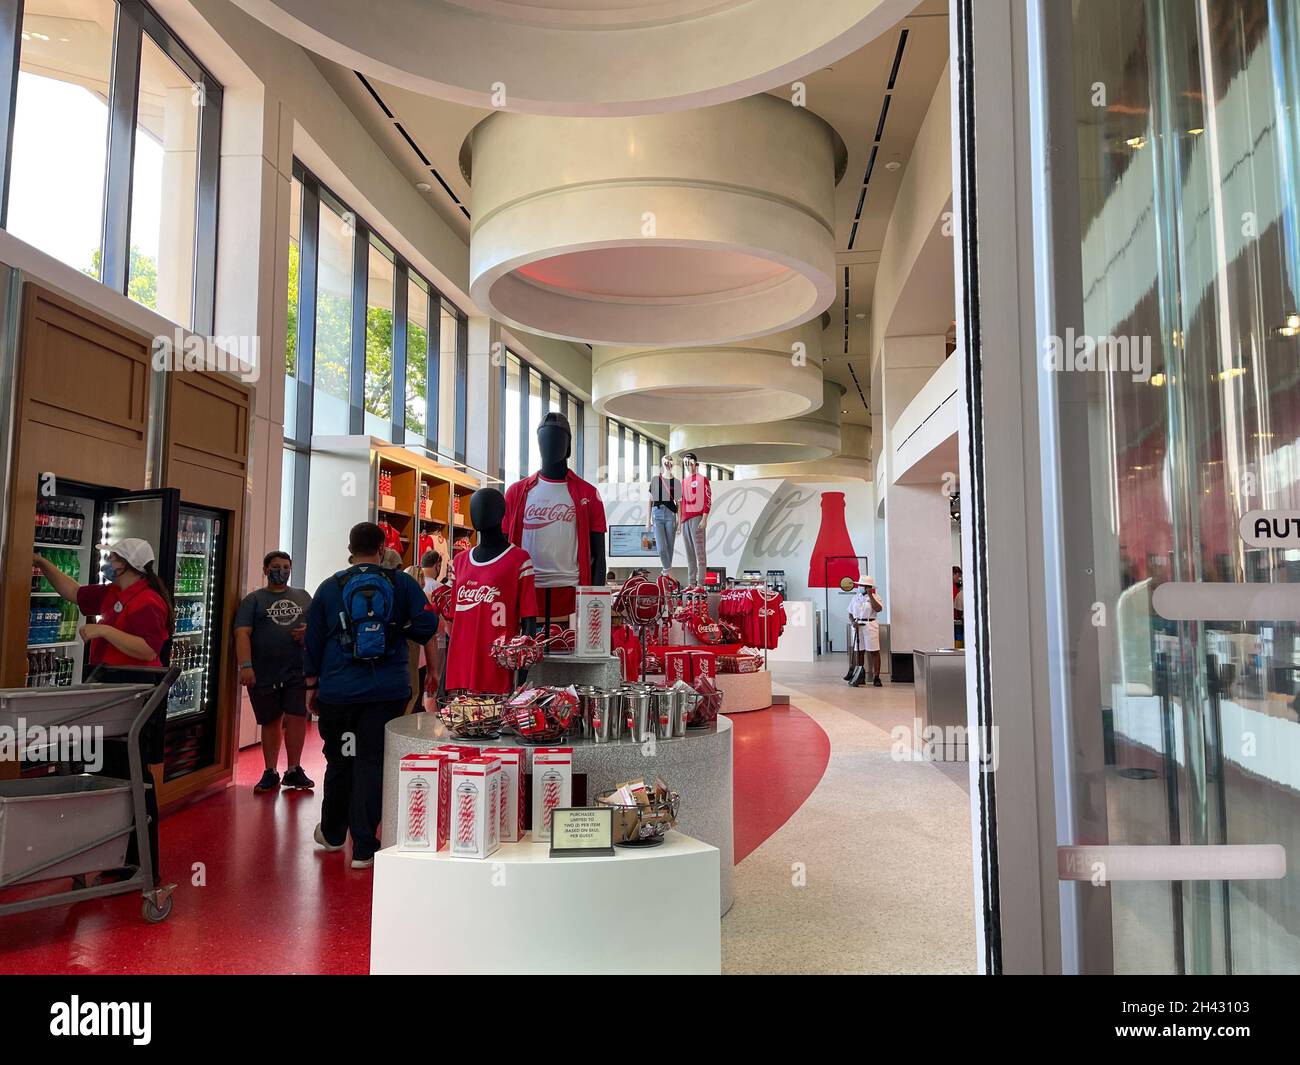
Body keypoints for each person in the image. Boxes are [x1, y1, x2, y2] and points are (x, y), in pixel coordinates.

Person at [34, 537, 173, 883]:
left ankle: (142, 865)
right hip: (109, 691)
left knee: (135, 780)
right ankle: (121, 857)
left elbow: (147, 650)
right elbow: (74, 593)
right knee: (115, 776)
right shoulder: (112, 594)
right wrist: (41, 562)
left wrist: (104, 630)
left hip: (137, 695)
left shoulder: (149, 602)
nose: (109, 562)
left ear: (125, 564)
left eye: (113, 557)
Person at [303, 522, 440, 869]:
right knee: (372, 761)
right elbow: (427, 626)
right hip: (386, 690)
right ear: (382, 548)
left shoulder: (330, 588)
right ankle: (364, 847)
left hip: (339, 690)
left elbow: (313, 641)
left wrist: (311, 687)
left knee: (339, 758)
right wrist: (397, 630)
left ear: (350, 549)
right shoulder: (401, 583)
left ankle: (333, 834)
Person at [233, 551, 314, 794]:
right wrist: (245, 666)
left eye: (286, 566)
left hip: (297, 669)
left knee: (297, 717)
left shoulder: (303, 596)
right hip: (264, 671)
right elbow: (242, 633)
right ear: (266, 570)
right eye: (276, 566)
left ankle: (294, 769)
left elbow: (318, 626)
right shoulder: (253, 600)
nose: (282, 571)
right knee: (270, 721)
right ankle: (270, 771)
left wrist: (307, 631)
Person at [646, 452, 680, 577]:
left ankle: (667, 574)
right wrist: (647, 520)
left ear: (673, 464)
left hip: (671, 514)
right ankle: (667, 570)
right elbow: (649, 500)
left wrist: (679, 521)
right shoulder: (655, 480)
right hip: (657, 514)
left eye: (670, 462)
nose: (668, 464)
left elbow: (679, 503)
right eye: (666, 462)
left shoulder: (676, 482)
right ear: (662, 463)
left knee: (670, 546)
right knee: (661, 548)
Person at [846, 575, 883, 687]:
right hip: (858, 625)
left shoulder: (876, 597)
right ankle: (860, 675)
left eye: (862, 585)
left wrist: (870, 595)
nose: (860, 587)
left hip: (870, 624)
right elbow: (850, 613)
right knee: (859, 651)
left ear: (868, 587)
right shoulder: (855, 598)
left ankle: (877, 677)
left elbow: (878, 609)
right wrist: (853, 622)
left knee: (874, 651)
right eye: (860, 585)